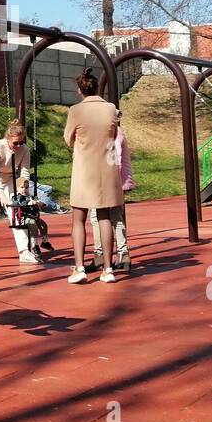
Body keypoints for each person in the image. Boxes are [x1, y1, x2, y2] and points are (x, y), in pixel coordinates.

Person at [62, 69, 126, 284]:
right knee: (105, 216)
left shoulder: (75, 110)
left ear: (80, 90)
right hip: (106, 168)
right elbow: (115, 134)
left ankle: (79, 267)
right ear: (98, 88)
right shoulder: (111, 109)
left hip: (84, 168)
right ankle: (108, 269)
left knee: (78, 218)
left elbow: (68, 139)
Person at [0, 120, 44, 265]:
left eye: (21, 142)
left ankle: (23, 252)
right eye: (15, 143)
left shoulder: (25, 150)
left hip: (9, 179)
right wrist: (1, 194)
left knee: (17, 214)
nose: (18, 146)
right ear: (8, 139)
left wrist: (22, 188)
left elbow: (25, 171)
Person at [93, 123, 134, 272]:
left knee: (97, 216)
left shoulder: (114, 133)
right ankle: (122, 254)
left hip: (111, 181)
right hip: (118, 181)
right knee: (116, 217)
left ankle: (101, 254)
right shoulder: (116, 132)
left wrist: (108, 180)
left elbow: (115, 158)